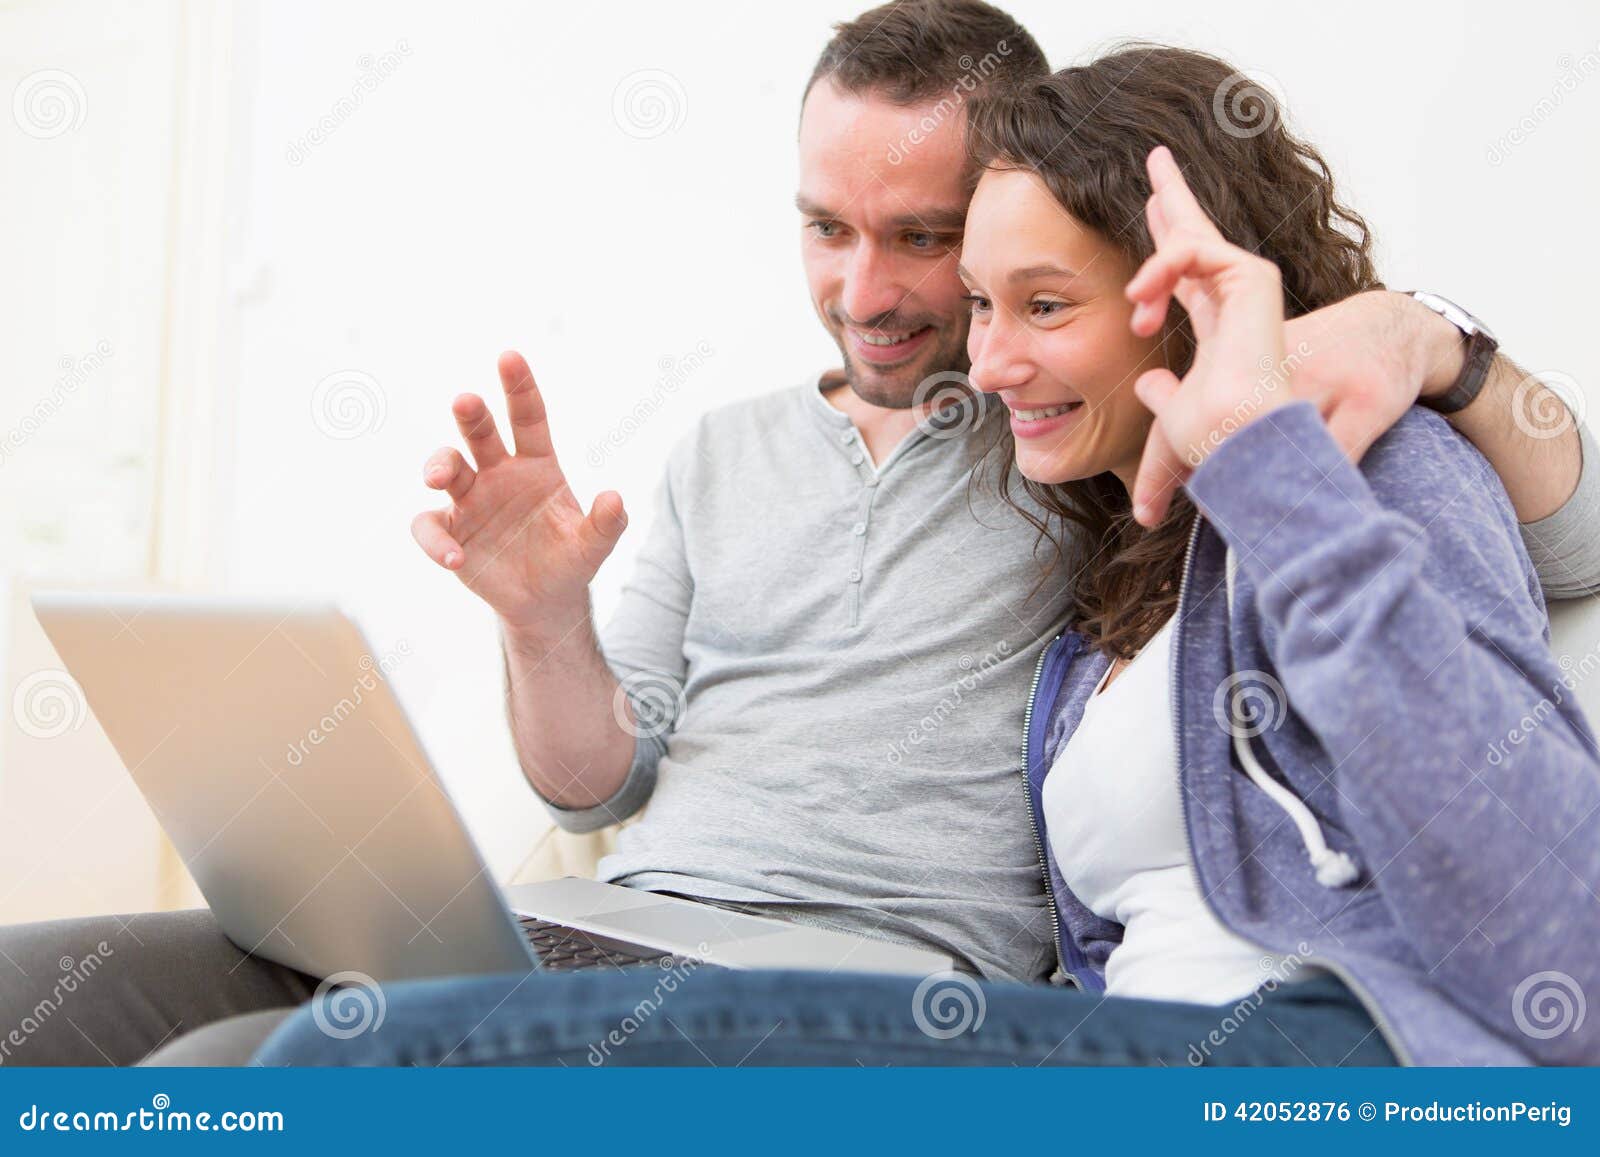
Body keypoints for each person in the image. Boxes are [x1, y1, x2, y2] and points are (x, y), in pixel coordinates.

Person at [2, 1, 1596, 1067]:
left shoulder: (1117, 463)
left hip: (889, 994)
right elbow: (599, 776)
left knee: (241, 1074)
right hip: (609, 922)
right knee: (38, 1011)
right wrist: (544, 624)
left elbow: (1562, 546)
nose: (884, 299)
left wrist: (1418, 333)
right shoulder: (775, 455)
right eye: (829, 231)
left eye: (938, 249)